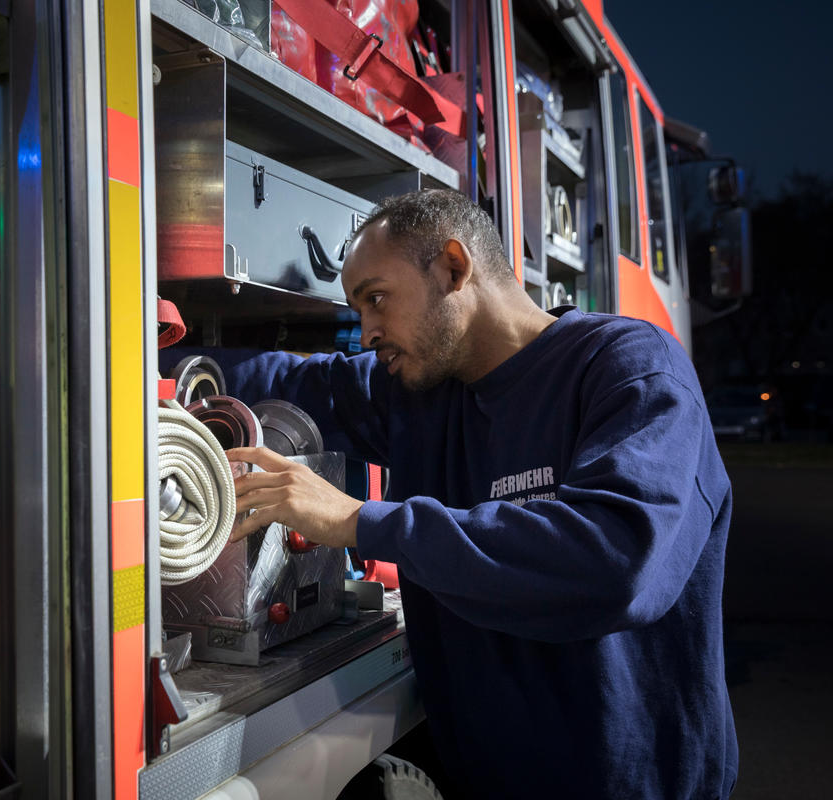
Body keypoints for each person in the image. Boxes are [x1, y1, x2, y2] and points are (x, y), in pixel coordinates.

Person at [193, 189, 738, 798]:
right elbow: (287, 381)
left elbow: (614, 563)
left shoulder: (631, 369)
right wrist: (136, 348)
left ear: (454, 267)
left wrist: (360, 521)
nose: (367, 332)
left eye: (377, 299)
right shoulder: (419, 394)